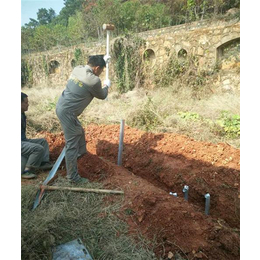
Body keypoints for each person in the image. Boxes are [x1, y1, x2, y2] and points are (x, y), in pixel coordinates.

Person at [56, 55, 111, 183]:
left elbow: (92, 64)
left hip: (62, 106)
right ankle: (73, 177)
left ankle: (81, 156)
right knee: (72, 144)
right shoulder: (94, 81)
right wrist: (106, 86)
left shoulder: (78, 69)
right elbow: (102, 95)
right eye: (101, 70)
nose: (101, 73)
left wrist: (103, 57)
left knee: (79, 131)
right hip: (68, 112)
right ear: (97, 68)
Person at [21, 92, 53, 179]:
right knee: (37, 148)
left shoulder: (22, 114)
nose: (28, 105)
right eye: (26, 103)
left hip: (22, 140)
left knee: (42, 141)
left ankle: (43, 163)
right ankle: (27, 170)